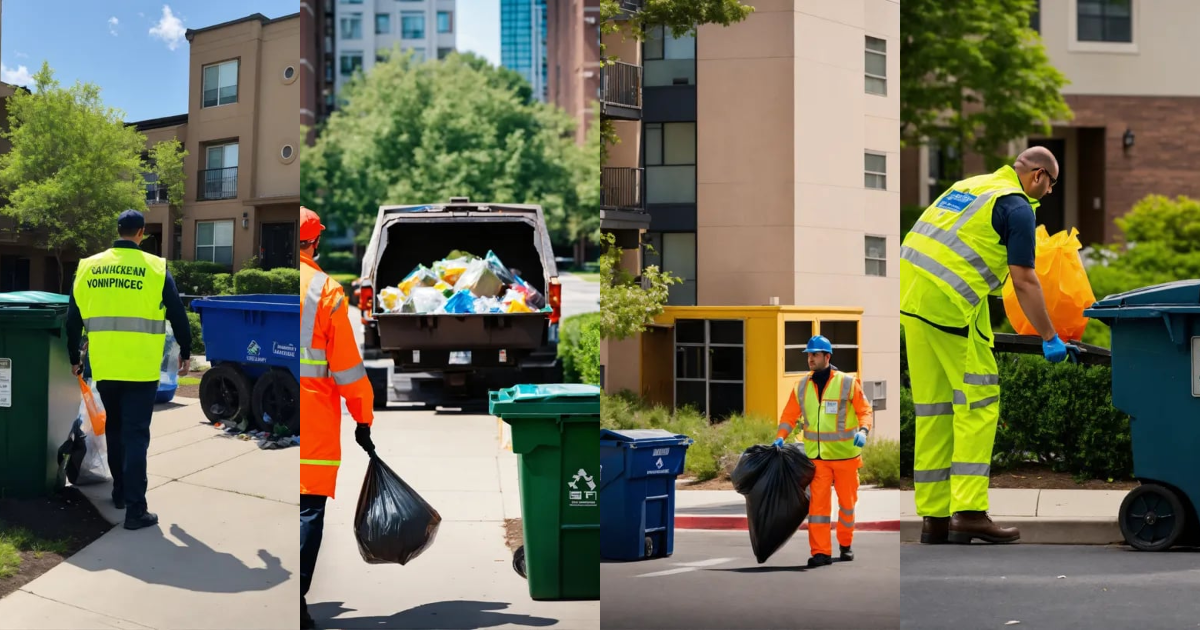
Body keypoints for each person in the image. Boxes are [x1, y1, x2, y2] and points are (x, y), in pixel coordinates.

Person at [900, 146, 1072, 546]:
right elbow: (1024, 280)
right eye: (1051, 184)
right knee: (978, 405)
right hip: (948, 305)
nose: (1049, 193)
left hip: (911, 299)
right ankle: (970, 513)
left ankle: (935, 518)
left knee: (935, 410)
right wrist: (1050, 336)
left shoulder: (970, 186)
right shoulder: (1017, 207)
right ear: (1038, 175)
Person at [67, 209, 191, 530]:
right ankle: (136, 509)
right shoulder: (155, 268)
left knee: (115, 430)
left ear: (118, 230)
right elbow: (177, 313)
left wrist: (74, 356)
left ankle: (120, 493)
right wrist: (186, 349)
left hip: (106, 366)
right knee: (136, 436)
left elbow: (73, 318)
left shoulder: (88, 267)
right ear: (141, 233)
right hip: (141, 369)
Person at [299, 207, 375, 630]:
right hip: (312, 422)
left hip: (270, 410)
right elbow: (347, 369)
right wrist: (363, 418)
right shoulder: (325, 291)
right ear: (314, 243)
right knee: (307, 510)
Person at [773, 335, 874, 568]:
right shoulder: (801, 386)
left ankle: (845, 543)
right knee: (818, 509)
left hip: (846, 457)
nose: (810, 358)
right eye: (809, 355)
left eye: (815, 354)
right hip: (817, 459)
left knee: (847, 506)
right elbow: (789, 416)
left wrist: (864, 431)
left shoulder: (847, 383)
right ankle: (820, 553)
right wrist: (780, 437)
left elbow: (864, 411)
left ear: (827, 357)